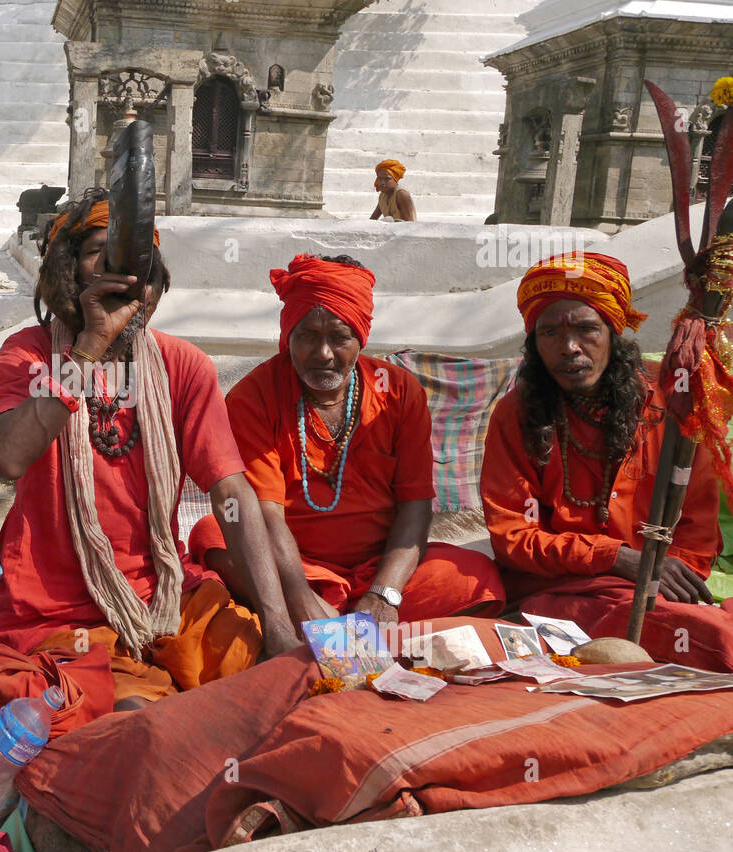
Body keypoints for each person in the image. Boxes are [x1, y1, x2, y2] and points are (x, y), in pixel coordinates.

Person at [0, 188, 298, 710]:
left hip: (166, 592)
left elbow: (231, 492)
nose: (119, 273)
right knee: (126, 712)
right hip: (61, 607)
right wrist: (89, 348)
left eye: (135, 260)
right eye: (97, 253)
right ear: (67, 274)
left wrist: (280, 621)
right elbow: (8, 458)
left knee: (269, 673)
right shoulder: (30, 355)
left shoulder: (183, 365)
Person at [190, 254, 505, 626]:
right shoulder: (253, 396)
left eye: (339, 338)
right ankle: (319, 613)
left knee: (476, 576)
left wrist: (385, 593)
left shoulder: (400, 392)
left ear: (360, 337)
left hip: (380, 566)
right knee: (214, 535)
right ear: (288, 335)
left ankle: (352, 614)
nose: (322, 354)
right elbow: (265, 516)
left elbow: (415, 504)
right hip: (291, 569)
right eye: (306, 336)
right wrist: (301, 598)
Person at [481, 252, 732, 669]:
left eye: (586, 329)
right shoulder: (516, 414)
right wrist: (614, 557)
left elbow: (696, 530)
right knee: (716, 638)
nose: (569, 348)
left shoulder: (671, 406)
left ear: (614, 332)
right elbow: (512, 539)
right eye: (549, 333)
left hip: (651, 589)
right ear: (534, 342)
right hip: (559, 589)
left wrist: (664, 573)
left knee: (702, 626)